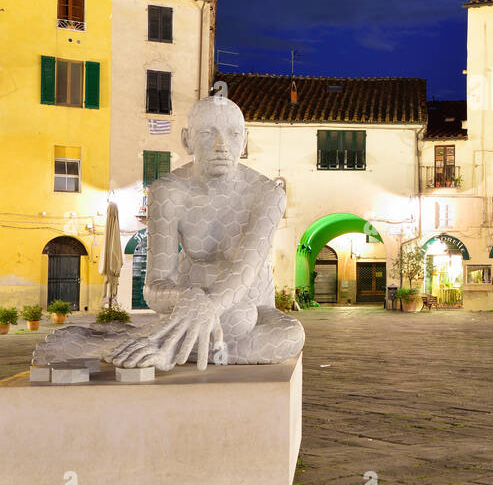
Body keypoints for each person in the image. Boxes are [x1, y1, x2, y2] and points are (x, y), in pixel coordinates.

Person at [36, 95, 304, 371]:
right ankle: (169, 344)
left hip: (253, 308)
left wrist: (210, 306)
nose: (221, 146)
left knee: (283, 333)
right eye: (207, 133)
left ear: (244, 139)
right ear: (187, 140)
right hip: (190, 303)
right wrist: (189, 298)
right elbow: (154, 287)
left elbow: (246, 269)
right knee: (239, 317)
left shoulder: (267, 193)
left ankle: (141, 346)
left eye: (233, 134)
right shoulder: (168, 192)